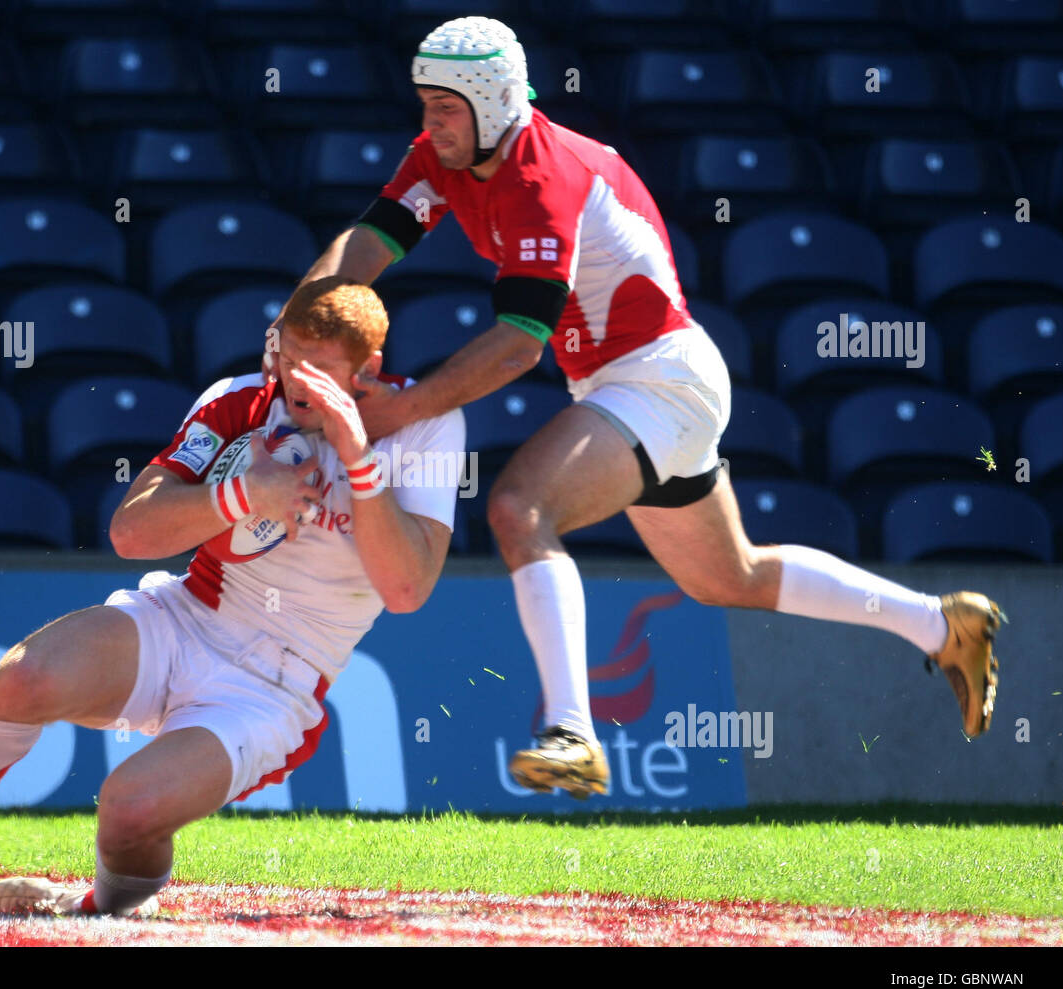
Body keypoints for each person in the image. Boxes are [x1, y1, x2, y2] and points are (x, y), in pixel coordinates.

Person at [267, 16, 1005, 800]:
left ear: (489, 104)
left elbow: (519, 346)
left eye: (443, 107)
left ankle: (571, 732)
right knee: (733, 574)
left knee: (519, 506)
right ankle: (943, 624)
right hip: (640, 383)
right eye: (424, 105)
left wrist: (389, 416)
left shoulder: (540, 177)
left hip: (658, 379)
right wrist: (292, 328)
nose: (428, 124)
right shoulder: (445, 157)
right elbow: (365, 249)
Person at [0, 277, 464, 915]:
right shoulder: (242, 400)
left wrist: (357, 457)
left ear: (369, 369)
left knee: (128, 809)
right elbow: (130, 531)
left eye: (323, 369)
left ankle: (91, 909)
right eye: (291, 359)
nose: (300, 382)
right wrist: (243, 494)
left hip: (275, 681)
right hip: (186, 614)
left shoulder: (425, 426)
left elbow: (407, 587)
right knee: (17, 683)